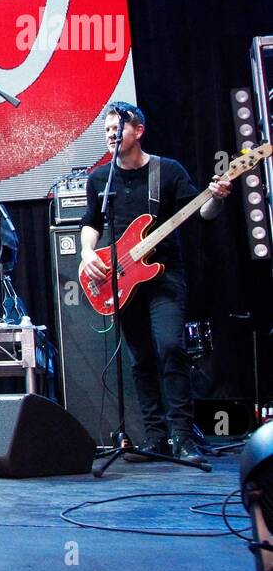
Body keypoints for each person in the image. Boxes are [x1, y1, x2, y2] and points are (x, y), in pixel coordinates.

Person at [78, 102, 231, 464]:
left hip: (165, 275)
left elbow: (202, 212)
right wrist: (87, 254)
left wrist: (217, 198)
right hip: (122, 278)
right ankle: (155, 437)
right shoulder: (101, 178)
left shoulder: (167, 171)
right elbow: (91, 221)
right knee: (140, 359)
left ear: (139, 130)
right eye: (108, 129)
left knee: (169, 349)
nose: (112, 133)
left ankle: (182, 436)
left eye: (119, 127)